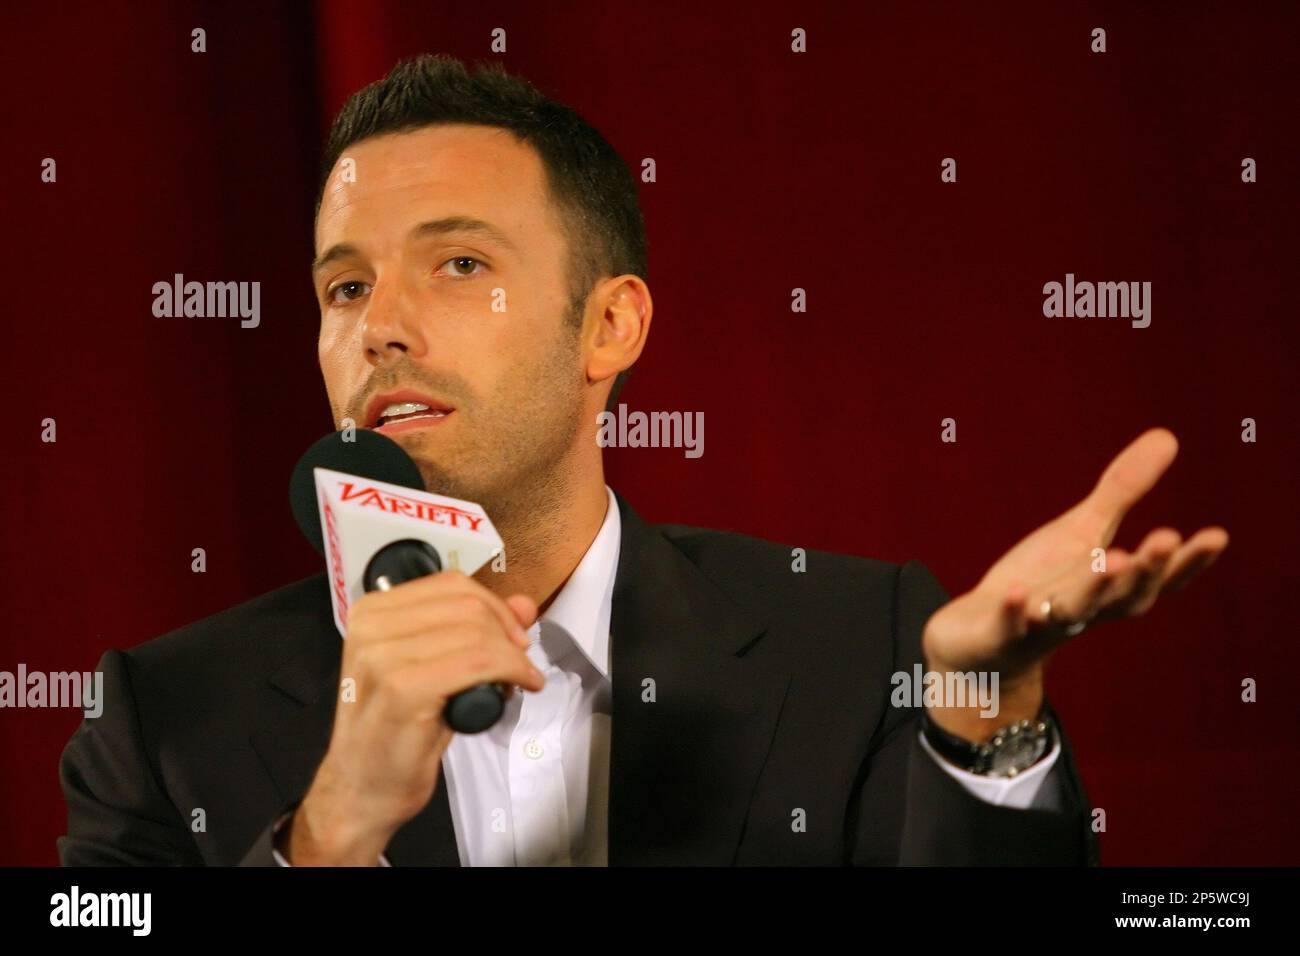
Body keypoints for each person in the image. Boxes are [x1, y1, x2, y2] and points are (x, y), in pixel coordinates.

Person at [58, 54, 1228, 866]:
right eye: (345, 285)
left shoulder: (858, 644)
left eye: (458, 263)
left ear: (609, 326)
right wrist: (326, 838)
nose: (380, 326)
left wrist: (992, 708)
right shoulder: (161, 715)